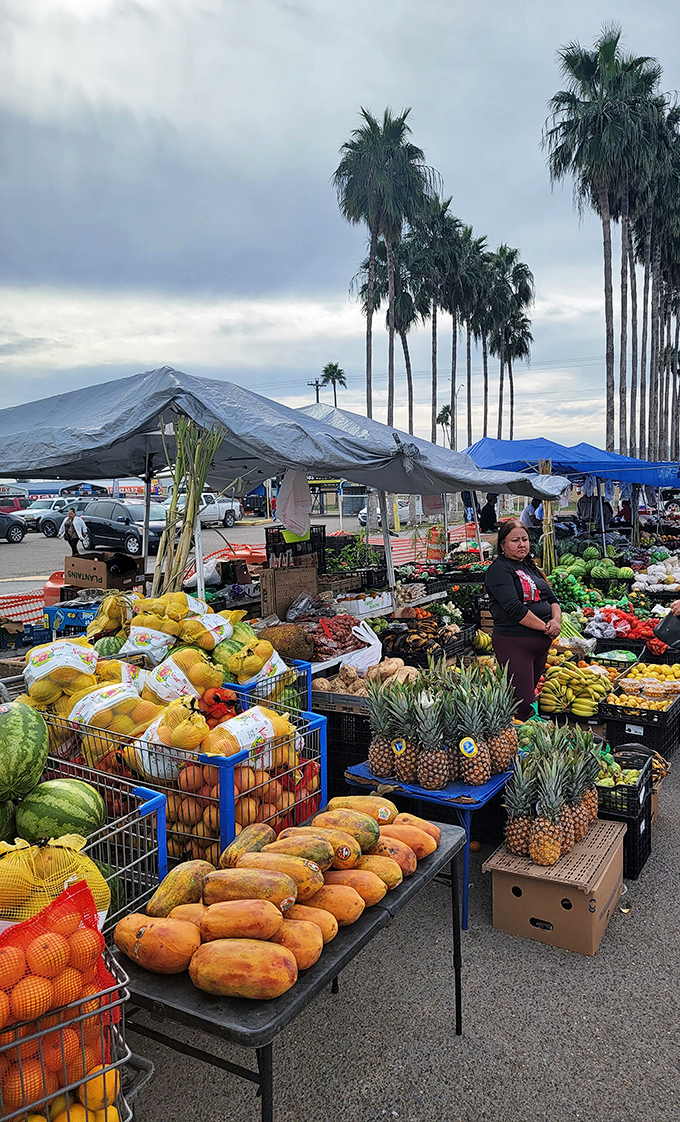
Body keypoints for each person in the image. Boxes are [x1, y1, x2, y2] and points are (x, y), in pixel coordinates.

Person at [485, 519, 562, 720]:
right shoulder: (499, 569)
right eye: (515, 540)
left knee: (527, 700)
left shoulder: (530, 567)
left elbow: (552, 599)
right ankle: (519, 747)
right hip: (515, 644)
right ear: (502, 545)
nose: (522, 544)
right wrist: (545, 627)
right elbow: (514, 608)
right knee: (523, 704)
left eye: (525, 539)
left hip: (539, 646)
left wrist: (556, 622)